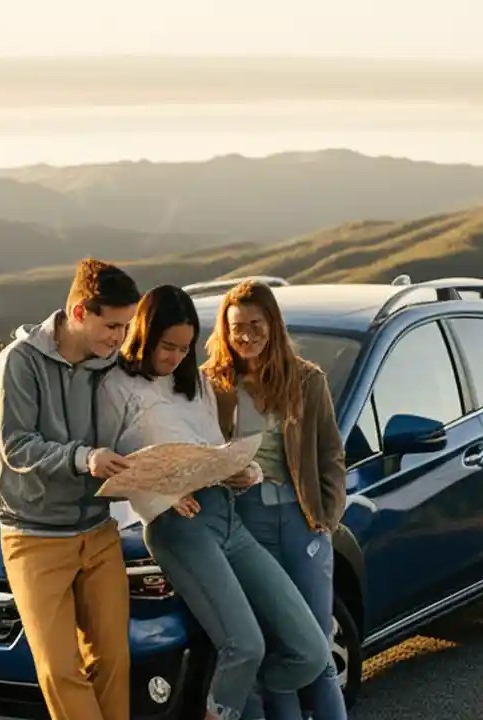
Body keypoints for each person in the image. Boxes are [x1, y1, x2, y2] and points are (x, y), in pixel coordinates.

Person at [98, 285, 330, 720]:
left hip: (227, 513)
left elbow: (213, 447)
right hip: (178, 525)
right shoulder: (117, 385)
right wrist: (159, 496)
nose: (176, 358)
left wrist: (245, 472)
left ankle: (246, 698)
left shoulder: (196, 383)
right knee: (245, 645)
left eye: (186, 348)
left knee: (309, 650)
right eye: (168, 347)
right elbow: (112, 462)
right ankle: (224, 710)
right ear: (145, 334)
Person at [0, 258, 141, 720]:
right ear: (78, 313)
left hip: (97, 532)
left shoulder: (112, 366)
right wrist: (83, 458)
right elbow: (16, 445)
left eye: (126, 326)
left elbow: (132, 428)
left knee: (113, 660)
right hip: (33, 537)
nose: (119, 338)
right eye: (111, 325)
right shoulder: (20, 362)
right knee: (58, 670)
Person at [202, 280, 349, 720]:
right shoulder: (212, 384)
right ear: (223, 331)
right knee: (272, 646)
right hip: (243, 523)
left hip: (300, 520)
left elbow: (331, 454)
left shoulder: (307, 380)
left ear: (273, 324)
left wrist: (328, 516)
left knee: (314, 650)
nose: (245, 335)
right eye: (236, 327)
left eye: (255, 324)